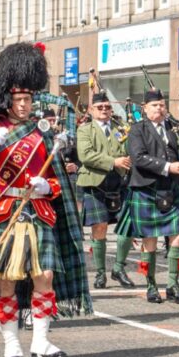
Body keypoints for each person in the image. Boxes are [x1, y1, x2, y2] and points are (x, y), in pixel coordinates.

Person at [0, 43, 89, 357]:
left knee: (45, 276)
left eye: (27, 100)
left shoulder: (42, 134)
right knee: (6, 280)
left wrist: (45, 185)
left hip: (38, 210)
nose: (23, 106)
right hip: (6, 211)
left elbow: (55, 181)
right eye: (18, 100)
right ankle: (11, 343)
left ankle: (41, 341)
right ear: (6, 99)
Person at [119, 86, 179, 304]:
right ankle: (151, 285)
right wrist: (168, 167)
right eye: (155, 105)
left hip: (172, 190)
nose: (160, 109)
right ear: (144, 108)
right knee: (150, 241)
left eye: (162, 105)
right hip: (147, 189)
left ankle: (173, 284)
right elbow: (138, 158)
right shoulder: (137, 130)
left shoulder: (173, 129)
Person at [75, 90, 130, 290]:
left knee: (127, 225)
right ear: (91, 110)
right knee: (99, 227)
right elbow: (86, 155)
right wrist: (113, 161)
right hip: (94, 182)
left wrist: (124, 159)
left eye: (108, 107)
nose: (105, 110)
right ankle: (100, 274)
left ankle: (119, 268)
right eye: (100, 107)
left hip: (120, 182)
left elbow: (127, 150)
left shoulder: (121, 128)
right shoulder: (85, 130)